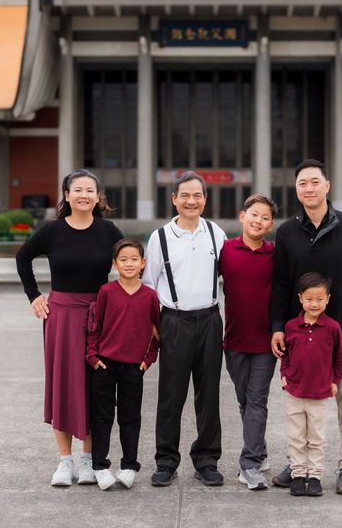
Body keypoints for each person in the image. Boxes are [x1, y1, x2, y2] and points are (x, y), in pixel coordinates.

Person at [270, 159, 342, 495]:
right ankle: (298, 466)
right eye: (302, 183)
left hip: (341, 330)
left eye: (315, 182)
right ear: (296, 189)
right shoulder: (286, 231)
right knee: (299, 401)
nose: (309, 189)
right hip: (299, 334)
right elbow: (282, 283)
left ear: (327, 186)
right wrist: (278, 326)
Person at [15, 169, 123, 487]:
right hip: (60, 315)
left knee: (94, 386)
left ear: (97, 197)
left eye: (90, 190)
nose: (84, 195)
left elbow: (132, 259)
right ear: (67, 196)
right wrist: (34, 296)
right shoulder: (52, 231)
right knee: (62, 383)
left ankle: (88, 460)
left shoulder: (108, 231)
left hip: (98, 315)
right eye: (77, 190)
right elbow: (23, 257)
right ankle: (65, 461)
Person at [142, 171, 228, 487]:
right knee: (170, 395)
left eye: (197, 195)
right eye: (185, 195)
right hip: (174, 321)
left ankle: (206, 459)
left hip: (209, 320)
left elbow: (228, 278)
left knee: (209, 395)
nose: (191, 201)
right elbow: (149, 285)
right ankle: (166, 461)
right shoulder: (159, 237)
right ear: (174, 199)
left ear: (205, 199)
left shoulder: (216, 234)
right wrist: (154, 325)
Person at [86, 238, 161, 491]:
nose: (129, 264)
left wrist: (147, 360)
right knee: (102, 418)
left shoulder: (150, 297)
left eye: (134, 259)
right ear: (114, 264)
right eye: (123, 259)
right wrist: (93, 357)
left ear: (143, 263)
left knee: (130, 418)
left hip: (133, 369)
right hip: (104, 366)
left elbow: (157, 334)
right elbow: (95, 326)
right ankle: (99, 466)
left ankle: (129, 466)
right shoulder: (106, 292)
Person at [219, 193, 278, 490]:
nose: (259, 220)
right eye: (254, 214)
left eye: (265, 217)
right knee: (245, 402)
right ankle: (261, 450)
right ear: (242, 216)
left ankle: (249, 464)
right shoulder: (225, 251)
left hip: (267, 343)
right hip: (234, 341)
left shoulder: (275, 255)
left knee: (257, 401)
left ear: (270, 225)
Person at [280, 272, 342, 497]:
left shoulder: (332, 327)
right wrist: (284, 374)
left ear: (328, 299)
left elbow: (339, 357)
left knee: (317, 437)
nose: (314, 303)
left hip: (320, 393)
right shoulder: (291, 326)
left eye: (319, 299)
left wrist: (335, 380)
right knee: (296, 436)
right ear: (300, 298)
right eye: (309, 299)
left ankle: (315, 476)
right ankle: (298, 475)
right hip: (294, 392)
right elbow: (286, 354)